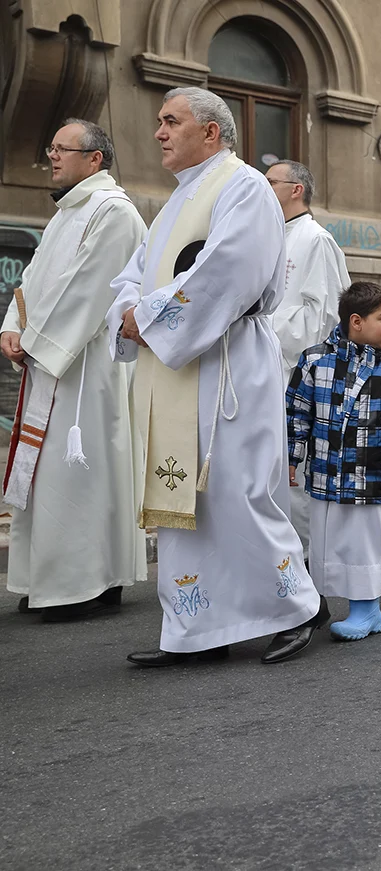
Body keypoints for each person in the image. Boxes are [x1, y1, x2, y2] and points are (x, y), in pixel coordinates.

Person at [106, 87, 323, 666]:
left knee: (238, 493)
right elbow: (133, 274)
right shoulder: (178, 201)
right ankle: (197, 628)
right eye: (158, 121)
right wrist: (128, 314)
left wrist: (148, 318)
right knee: (184, 506)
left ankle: (294, 609)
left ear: (210, 132)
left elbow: (229, 270)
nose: (158, 132)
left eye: (170, 121)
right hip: (178, 371)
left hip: (228, 368)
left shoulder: (244, 186)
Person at [1, 119, 148, 621]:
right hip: (50, 360)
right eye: (52, 148)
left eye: (64, 149)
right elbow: (33, 281)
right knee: (45, 476)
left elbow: (88, 290)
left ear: (95, 159)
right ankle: (44, 578)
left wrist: (37, 342)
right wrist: (12, 326)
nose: (53, 158)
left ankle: (86, 583)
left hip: (88, 370)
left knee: (80, 475)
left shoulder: (114, 213)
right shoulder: (66, 214)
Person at [287, 282, 381, 640]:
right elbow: (297, 412)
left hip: (370, 475)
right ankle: (320, 604)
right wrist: (291, 456)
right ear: (356, 321)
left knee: (361, 541)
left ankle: (367, 610)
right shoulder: (315, 360)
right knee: (327, 538)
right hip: (325, 474)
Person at [265, 158, 350, 556]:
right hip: (268, 370)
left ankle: (311, 569)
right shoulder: (271, 235)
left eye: (271, 182)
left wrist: (260, 326)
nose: (263, 188)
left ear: (295, 189)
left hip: (297, 375)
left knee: (297, 476)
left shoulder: (316, 240)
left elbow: (323, 317)